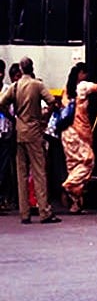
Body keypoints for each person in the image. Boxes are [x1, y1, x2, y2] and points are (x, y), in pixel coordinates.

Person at [0, 57, 61, 224]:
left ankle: (24, 213)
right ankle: (44, 212)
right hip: (34, 131)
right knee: (39, 171)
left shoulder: (15, 86)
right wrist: (43, 117)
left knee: (21, 173)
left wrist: (12, 117)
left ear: (21, 69)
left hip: (19, 132)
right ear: (32, 68)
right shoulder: (37, 85)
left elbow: (1, 103)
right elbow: (51, 102)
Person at [60, 62, 97, 214]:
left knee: (73, 165)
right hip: (78, 132)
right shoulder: (82, 87)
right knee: (88, 160)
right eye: (85, 73)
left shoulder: (66, 90)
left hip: (66, 132)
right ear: (80, 73)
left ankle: (75, 205)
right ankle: (68, 185)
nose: (87, 76)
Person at [0, 60, 15, 212]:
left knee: (4, 168)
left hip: (5, 133)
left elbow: (12, 112)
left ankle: (3, 198)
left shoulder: (8, 90)